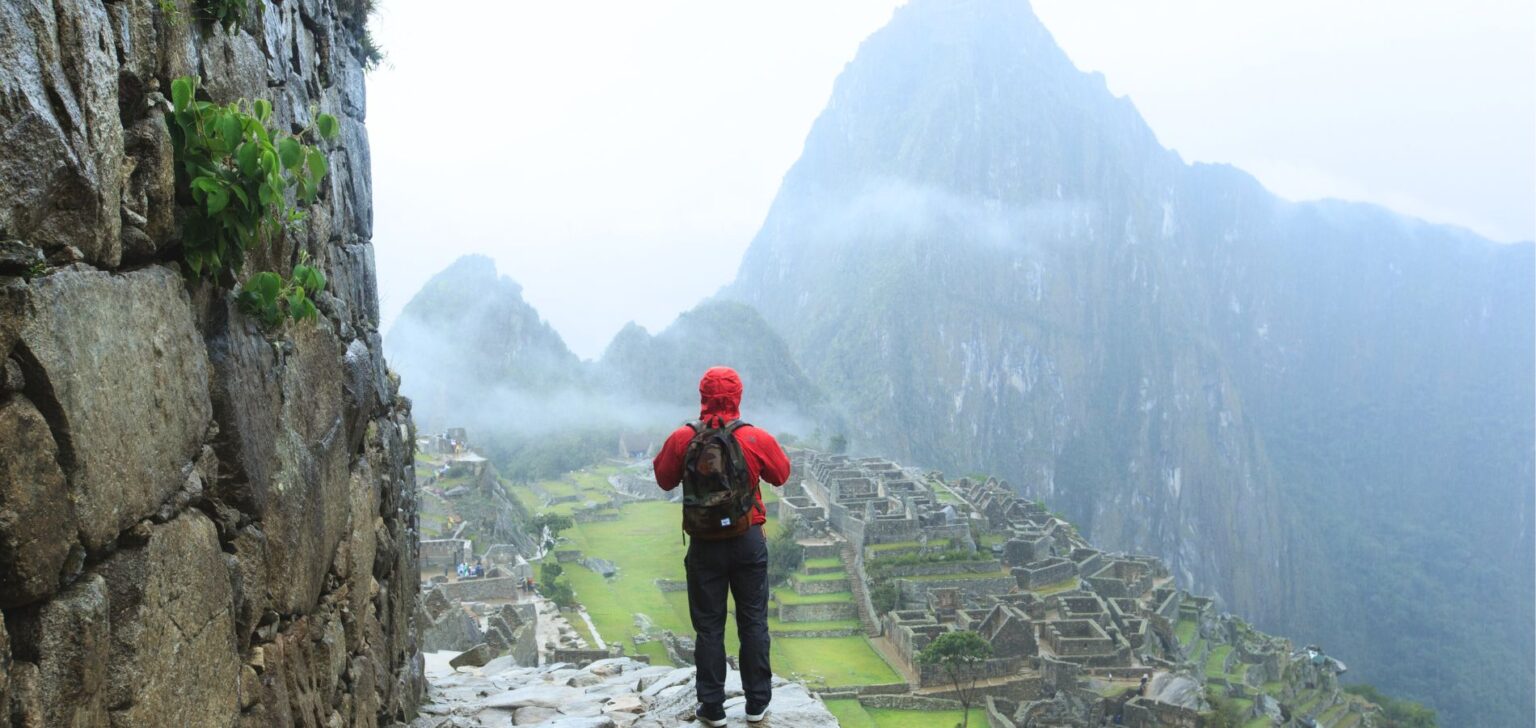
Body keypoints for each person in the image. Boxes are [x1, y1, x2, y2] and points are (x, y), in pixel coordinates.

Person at [653, 366, 790, 726]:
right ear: (738, 397)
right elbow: (782, 473)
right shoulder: (754, 438)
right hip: (747, 541)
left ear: (702, 397)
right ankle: (757, 703)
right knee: (753, 622)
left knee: (709, 627)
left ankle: (712, 707)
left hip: (704, 545)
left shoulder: (684, 438)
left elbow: (663, 478)